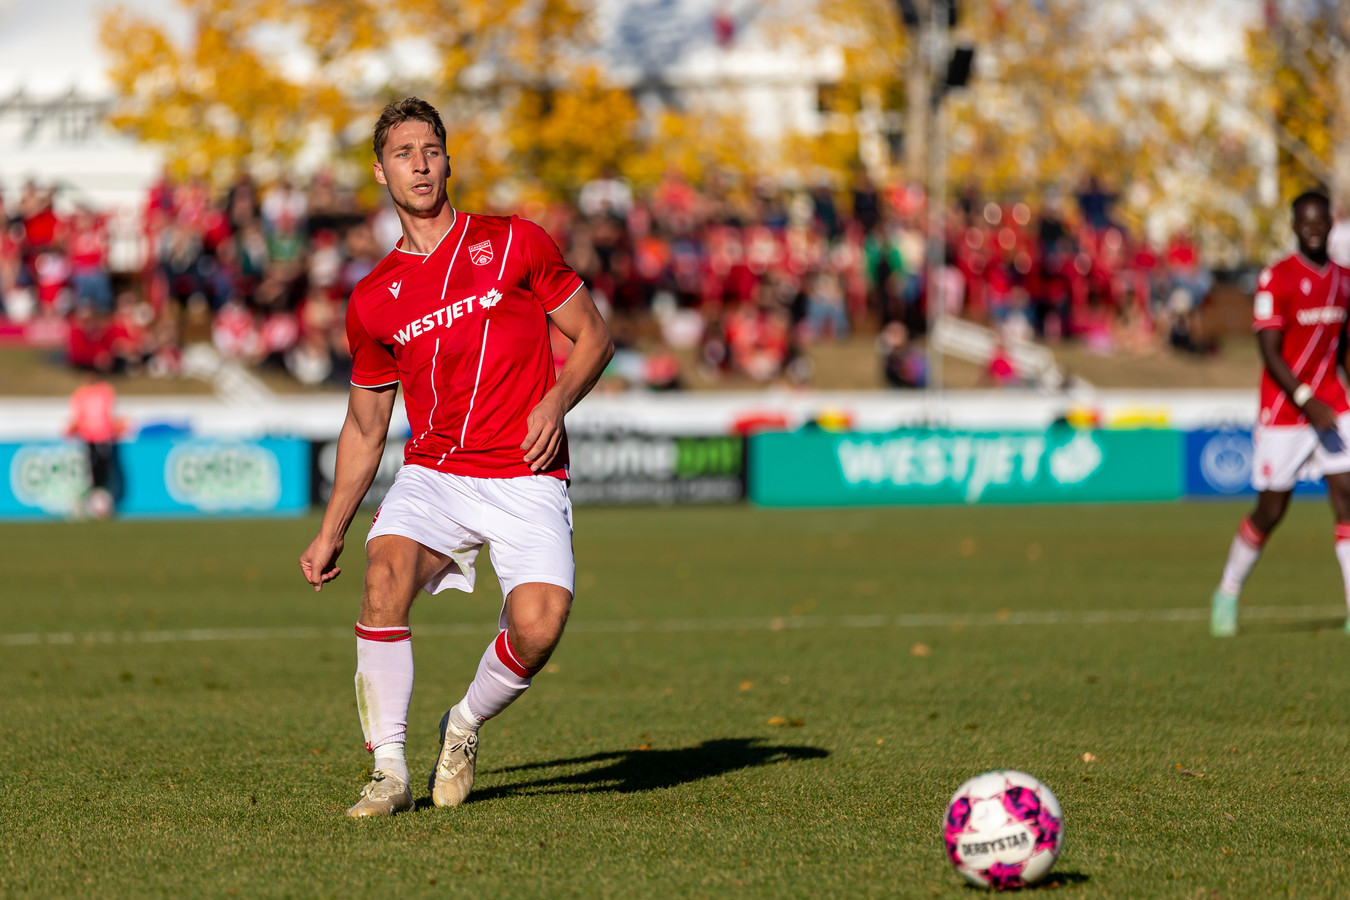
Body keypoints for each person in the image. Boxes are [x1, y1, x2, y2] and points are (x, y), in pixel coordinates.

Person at [298, 98, 614, 817]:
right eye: (403, 152)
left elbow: (593, 337)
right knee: (383, 579)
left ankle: (463, 725)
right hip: (434, 476)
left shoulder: (513, 243)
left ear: (447, 161)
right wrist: (330, 530)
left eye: (431, 149)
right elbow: (365, 423)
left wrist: (557, 399)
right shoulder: (374, 299)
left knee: (538, 625)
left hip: (527, 477)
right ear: (380, 171)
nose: (419, 162)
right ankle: (388, 771)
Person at [1211, 191, 1350, 637]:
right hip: (1286, 408)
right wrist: (1306, 398)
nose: (1313, 228)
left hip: (1332, 402)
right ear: (1293, 226)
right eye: (1305, 222)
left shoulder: (1345, 279)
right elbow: (1269, 354)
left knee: (1347, 497)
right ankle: (1227, 591)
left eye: (1320, 221)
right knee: (1272, 509)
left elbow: (1343, 346)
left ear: (1331, 224)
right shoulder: (1277, 278)